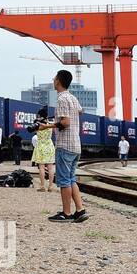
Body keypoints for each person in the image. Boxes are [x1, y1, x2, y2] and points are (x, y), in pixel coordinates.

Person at [41, 70, 87, 222]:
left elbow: (65, 122)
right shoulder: (72, 98)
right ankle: (80, 210)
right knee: (71, 178)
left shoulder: (61, 99)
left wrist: (47, 126)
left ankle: (66, 213)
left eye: (54, 77)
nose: (53, 79)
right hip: (75, 144)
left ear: (58, 81)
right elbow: (81, 111)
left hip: (64, 144)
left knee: (64, 181)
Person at [31, 107, 55, 191]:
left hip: (41, 145)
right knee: (50, 167)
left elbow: (32, 129)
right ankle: (51, 186)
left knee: (41, 167)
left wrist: (37, 123)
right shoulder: (50, 124)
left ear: (40, 116)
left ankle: (42, 186)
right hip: (49, 145)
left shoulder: (38, 125)